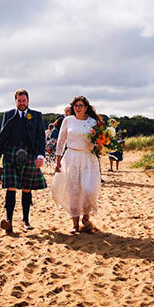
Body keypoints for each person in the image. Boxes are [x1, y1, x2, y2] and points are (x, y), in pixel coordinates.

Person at [0, 89, 46, 233]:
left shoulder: (36, 115)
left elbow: (41, 137)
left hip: (29, 155)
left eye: (24, 101)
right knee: (11, 187)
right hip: (10, 154)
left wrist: (40, 155)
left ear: (28, 100)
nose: (22, 103)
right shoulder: (9, 114)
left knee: (26, 188)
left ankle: (26, 220)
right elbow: (2, 136)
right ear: (15, 101)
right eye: (19, 101)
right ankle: (9, 220)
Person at [50, 95, 102, 235]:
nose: (78, 108)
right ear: (73, 107)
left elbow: (99, 141)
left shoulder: (93, 122)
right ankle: (75, 225)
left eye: (81, 105)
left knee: (88, 188)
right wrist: (58, 161)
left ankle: (86, 218)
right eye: (76, 105)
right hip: (71, 157)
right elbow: (61, 142)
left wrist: (101, 145)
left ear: (86, 108)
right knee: (73, 191)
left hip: (88, 158)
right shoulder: (68, 120)